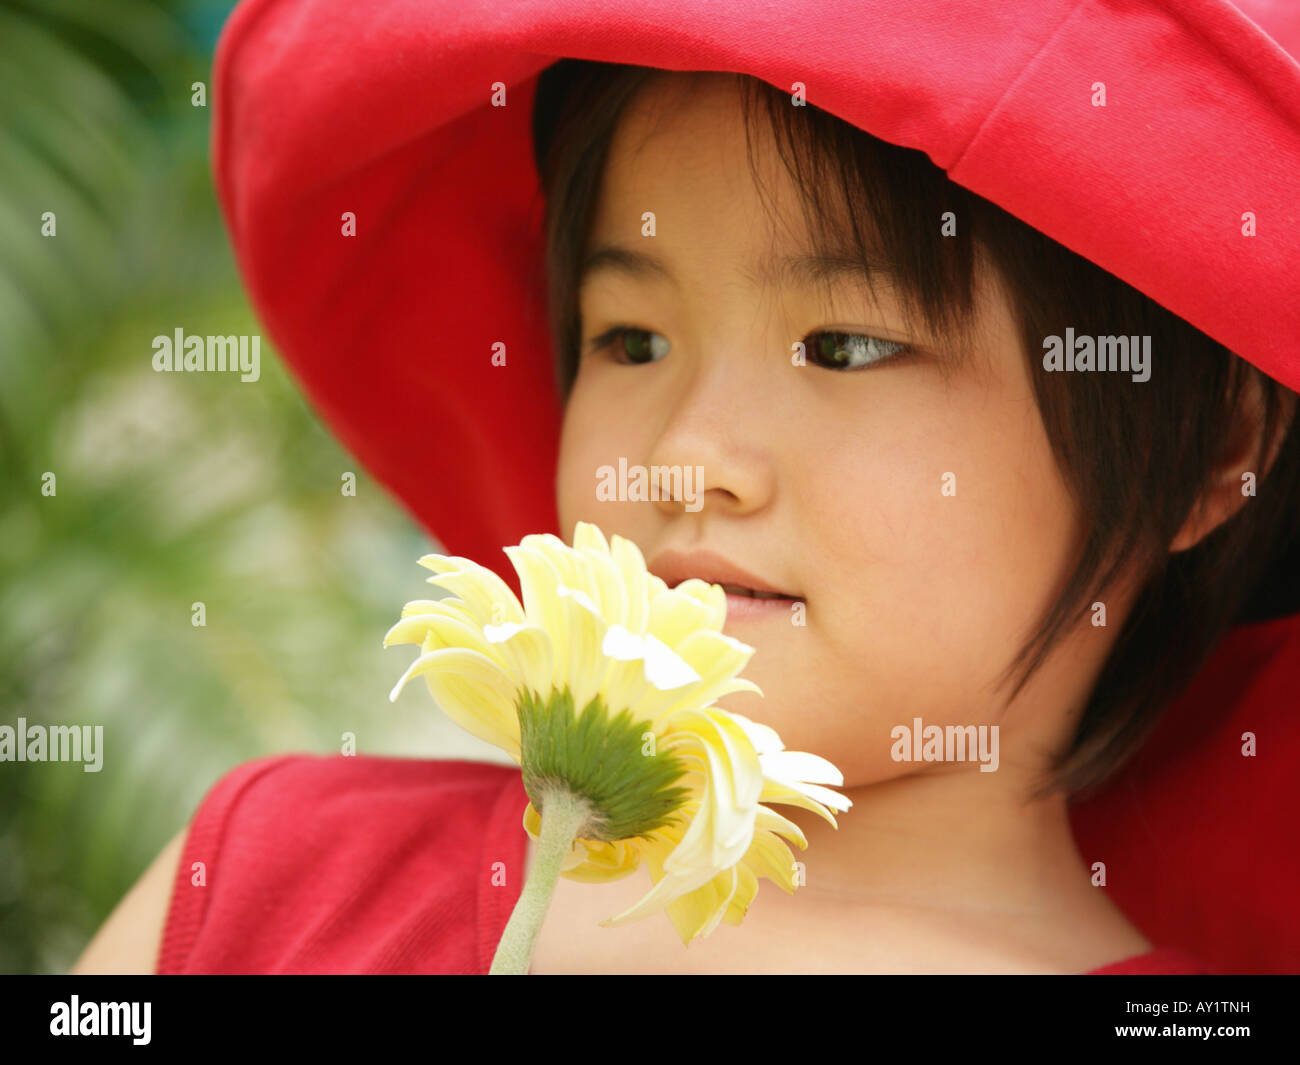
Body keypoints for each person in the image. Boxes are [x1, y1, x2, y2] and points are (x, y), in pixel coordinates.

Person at [72, 0, 1300, 975]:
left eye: (844, 346)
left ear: (1204, 455)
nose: (684, 453)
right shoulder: (266, 882)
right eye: (630, 341)